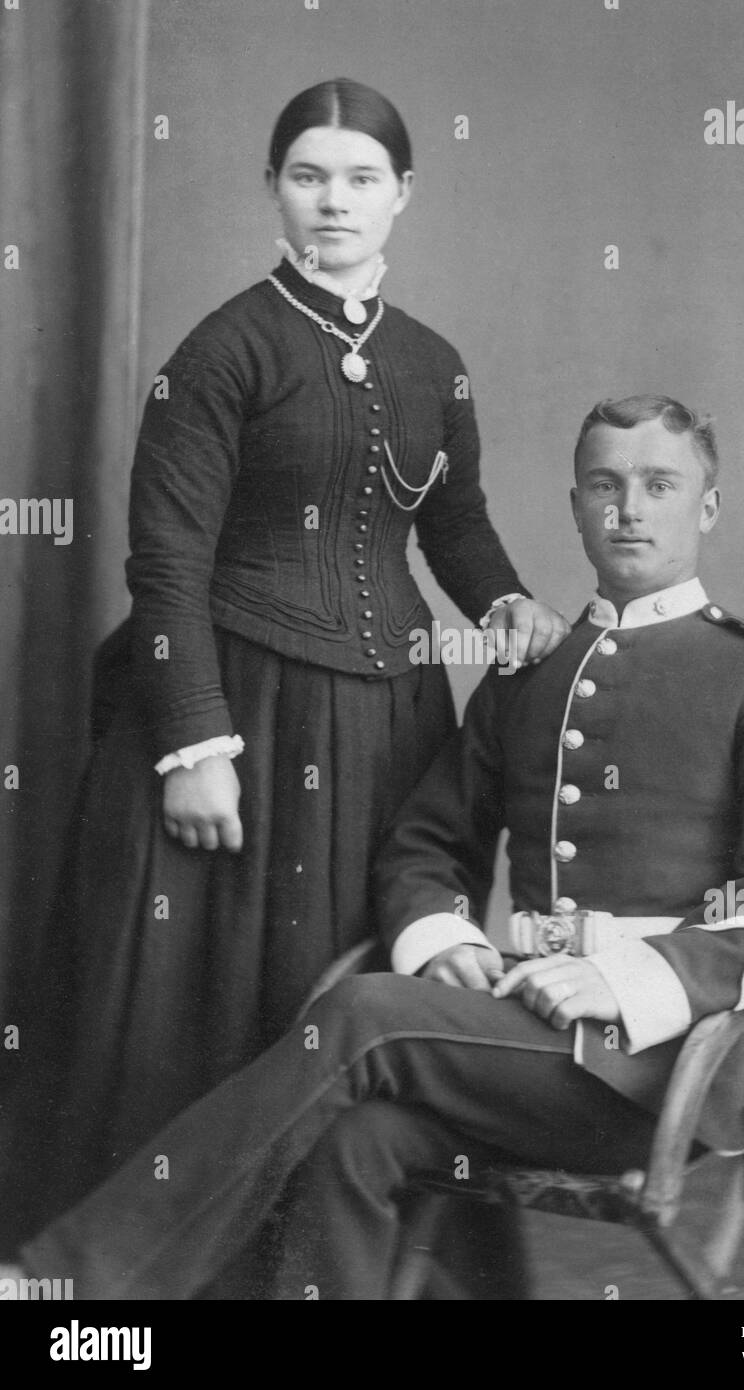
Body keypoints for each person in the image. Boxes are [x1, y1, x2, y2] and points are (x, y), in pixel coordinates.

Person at [12, 394, 744, 1300]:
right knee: (352, 1144)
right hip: (512, 1047)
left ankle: (71, 1281)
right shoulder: (532, 673)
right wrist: (446, 938)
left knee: (364, 1016)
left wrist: (627, 979)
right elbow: (427, 843)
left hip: (649, 1069)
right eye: (604, 486)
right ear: (574, 506)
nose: (629, 509)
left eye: (659, 485)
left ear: (706, 507)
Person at [17, 78, 568, 1232]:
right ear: (274, 186)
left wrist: (507, 598)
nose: (334, 203)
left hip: (390, 727)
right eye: (309, 176)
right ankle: (154, 1263)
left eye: (361, 179)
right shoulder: (224, 350)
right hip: (239, 712)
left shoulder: (434, 362)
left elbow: (452, 521)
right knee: (209, 1002)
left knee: (361, 979)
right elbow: (165, 561)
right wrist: (191, 747)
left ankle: (339, 1244)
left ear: (403, 195)